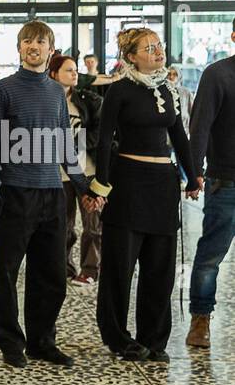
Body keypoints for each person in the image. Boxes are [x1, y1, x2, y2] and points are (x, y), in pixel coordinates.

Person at [0, 22, 99, 368]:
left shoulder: (55, 92)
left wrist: (84, 188)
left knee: (50, 275)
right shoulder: (2, 90)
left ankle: (42, 341)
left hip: (53, 193)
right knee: (7, 273)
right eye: (28, 41)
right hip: (16, 192)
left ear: (51, 49)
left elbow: (66, 145)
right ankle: (10, 343)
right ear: (19, 48)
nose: (34, 46)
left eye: (41, 41)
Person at [95, 27, 199, 361]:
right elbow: (103, 140)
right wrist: (101, 186)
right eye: (148, 47)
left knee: (160, 267)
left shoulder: (168, 90)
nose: (157, 51)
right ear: (130, 57)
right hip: (128, 183)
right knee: (120, 267)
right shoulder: (120, 91)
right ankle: (118, 337)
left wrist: (193, 174)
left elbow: (179, 137)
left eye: (159, 46)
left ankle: (154, 338)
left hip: (162, 184)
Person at [185, 18, 235, 350]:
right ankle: (200, 319)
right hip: (226, 180)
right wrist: (193, 172)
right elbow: (200, 125)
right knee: (210, 256)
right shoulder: (217, 74)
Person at [49, 53, 103, 286]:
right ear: (54, 74)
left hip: (86, 170)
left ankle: (90, 269)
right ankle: (64, 267)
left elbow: (99, 132)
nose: (74, 74)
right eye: (69, 70)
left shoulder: (87, 100)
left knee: (93, 225)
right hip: (58, 174)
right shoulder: (47, 101)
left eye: (75, 70)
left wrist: (74, 143)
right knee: (64, 226)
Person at [167, 66, 193, 131]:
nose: (171, 77)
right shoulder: (163, 91)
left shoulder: (186, 92)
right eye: (169, 74)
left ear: (179, 76)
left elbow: (192, 111)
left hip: (184, 128)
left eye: (175, 74)